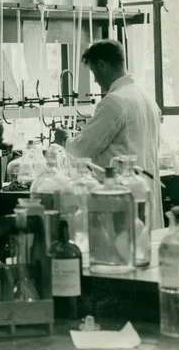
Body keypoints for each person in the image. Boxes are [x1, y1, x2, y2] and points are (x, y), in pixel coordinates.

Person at [65, 39, 163, 223]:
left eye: (94, 72)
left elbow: (81, 151)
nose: (95, 80)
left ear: (102, 65)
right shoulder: (147, 98)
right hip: (144, 191)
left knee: (121, 245)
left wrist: (64, 140)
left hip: (120, 195)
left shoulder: (114, 101)